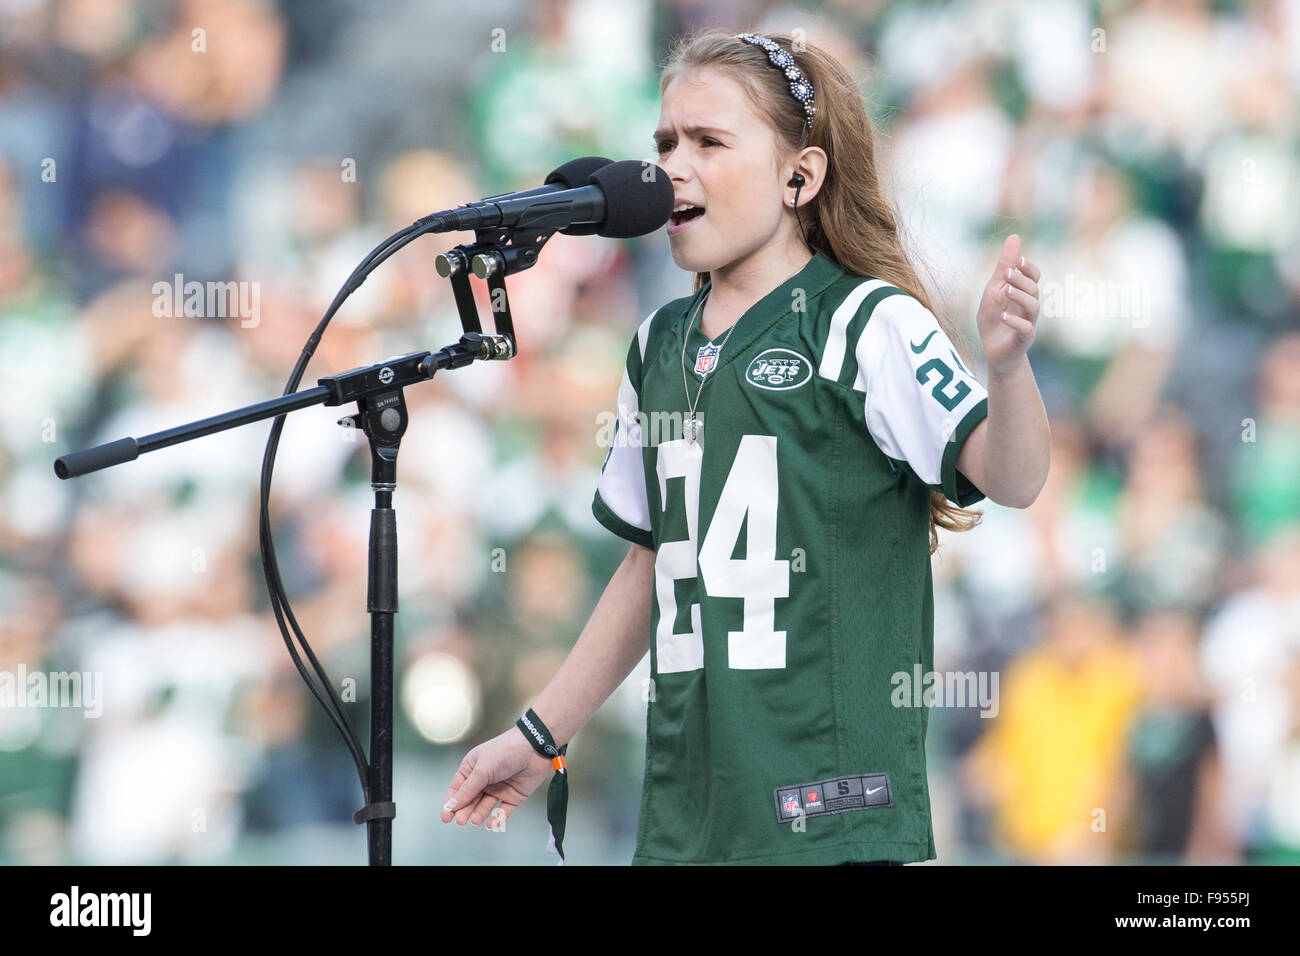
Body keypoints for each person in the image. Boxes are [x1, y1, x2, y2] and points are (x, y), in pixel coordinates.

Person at [440, 28, 1050, 865]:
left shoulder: (868, 323)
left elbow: (1013, 478)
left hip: (830, 815)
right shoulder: (656, 343)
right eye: (664, 143)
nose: (671, 168)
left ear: (801, 174)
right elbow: (651, 564)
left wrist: (1009, 368)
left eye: (708, 142)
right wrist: (540, 733)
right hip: (692, 813)